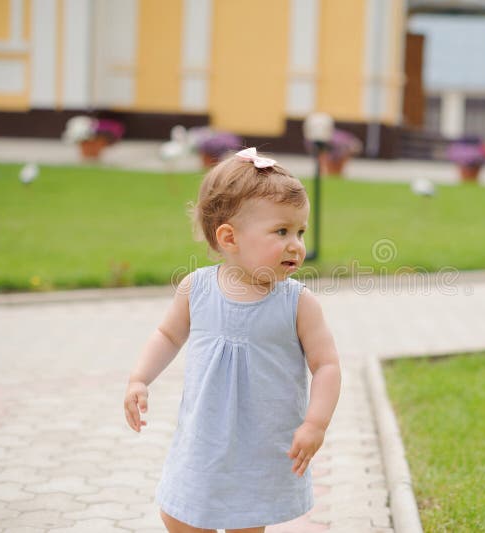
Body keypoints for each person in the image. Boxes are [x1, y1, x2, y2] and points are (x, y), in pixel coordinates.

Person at [123, 147, 342, 533]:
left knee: (246, 520)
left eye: (300, 231)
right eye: (281, 231)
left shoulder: (298, 304)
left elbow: (326, 365)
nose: (296, 244)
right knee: (178, 514)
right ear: (229, 238)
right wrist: (139, 378)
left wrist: (316, 423)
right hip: (204, 436)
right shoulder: (197, 288)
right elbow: (168, 335)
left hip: (260, 442)